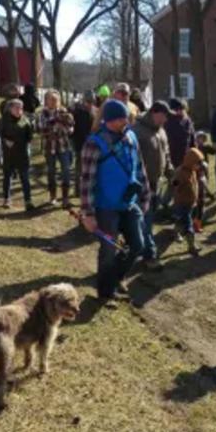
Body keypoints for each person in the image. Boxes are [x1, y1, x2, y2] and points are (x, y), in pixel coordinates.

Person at [79, 100, 150, 301]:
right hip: (105, 207)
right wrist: (88, 213)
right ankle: (105, 293)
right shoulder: (94, 143)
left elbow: (139, 167)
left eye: (126, 117)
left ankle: (117, 277)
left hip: (129, 202)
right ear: (109, 120)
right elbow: (86, 180)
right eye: (121, 118)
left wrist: (145, 196)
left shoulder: (131, 136)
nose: (125, 121)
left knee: (138, 244)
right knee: (108, 251)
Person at [132, 100, 173, 271]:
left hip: (156, 182)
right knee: (146, 220)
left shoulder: (161, 131)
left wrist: (169, 169)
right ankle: (150, 255)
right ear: (154, 113)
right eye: (163, 116)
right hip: (141, 184)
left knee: (146, 220)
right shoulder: (137, 131)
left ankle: (137, 246)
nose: (165, 120)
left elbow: (166, 152)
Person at [38, 90, 76, 208]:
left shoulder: (64, 112)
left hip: (63, 146)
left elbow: (70, 128)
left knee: (66, 172)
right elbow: (41, 129)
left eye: (56, 100)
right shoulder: (42, 113)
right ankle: (53, 197)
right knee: (51, 172)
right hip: (50, 147)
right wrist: (56, 124)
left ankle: (65, 198)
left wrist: (66, 127)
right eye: (52, 100)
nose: (54, 102)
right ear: (46, 101)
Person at [0, 99, 35, 211]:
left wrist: (31, 129)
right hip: (8, 154)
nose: (20, 110)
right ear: (10, 108)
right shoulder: (3, 120)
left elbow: (29, 137)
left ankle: (28, 201)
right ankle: (6, 199)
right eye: (17, 107)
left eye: (21, 107)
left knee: (25, 178)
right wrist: (5, 141)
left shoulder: (25, 120)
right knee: (7, 178)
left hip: (22, 154)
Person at [171, 147, 206, 256]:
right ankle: (191, 246)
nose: (199, 167)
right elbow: (174, 184)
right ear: (191, 162)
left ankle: (176, 231)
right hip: (182, 203)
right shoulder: (181, 173)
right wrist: (177, 187)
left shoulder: (192, 171)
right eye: (198, 164)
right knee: (188, 225)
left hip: (190, 203)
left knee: (181, 220)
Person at [71, 91, 97, 195]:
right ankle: (77, 189)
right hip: (80, 143)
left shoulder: (95, 112)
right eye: (88, 102)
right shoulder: (77, 112)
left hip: (93, 143)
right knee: (79, 168)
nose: (90, 104)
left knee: (91, 168)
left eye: (92, 102)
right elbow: (76, 129)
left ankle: (90, 188)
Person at [165, 98, 196, 168]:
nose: (180, 111)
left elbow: (192, 138)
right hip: (172, 156)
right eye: (177, 109)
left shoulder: (187, 121)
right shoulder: (167, 121)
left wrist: (194, 153)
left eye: (182, 109)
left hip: (186, 155)